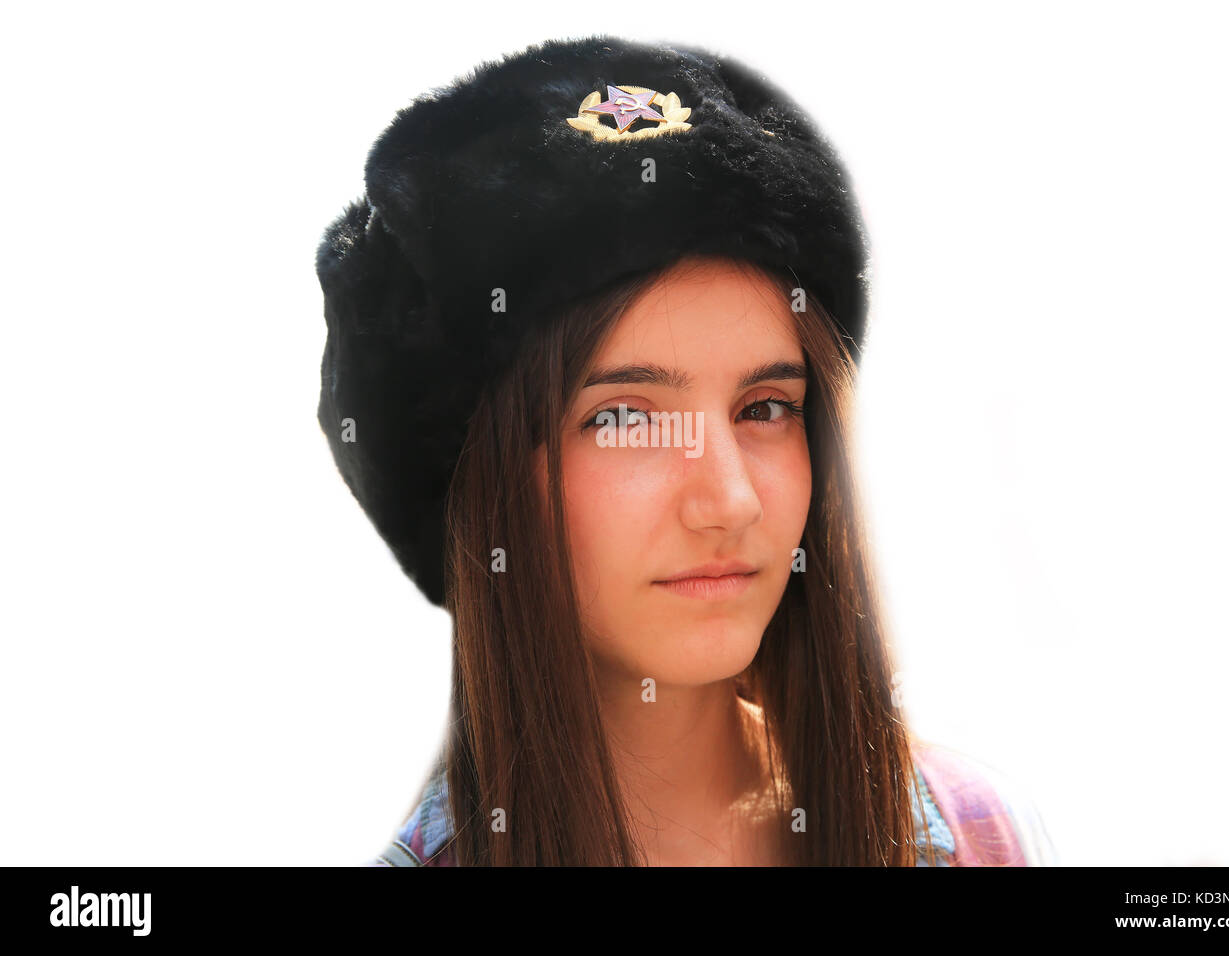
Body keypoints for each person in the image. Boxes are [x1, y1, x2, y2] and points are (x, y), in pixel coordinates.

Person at [315, 35, 1059, 866]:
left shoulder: (977, 839)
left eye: (767, 407)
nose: (732, 500)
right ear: (478, 484)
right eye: (627, 418)